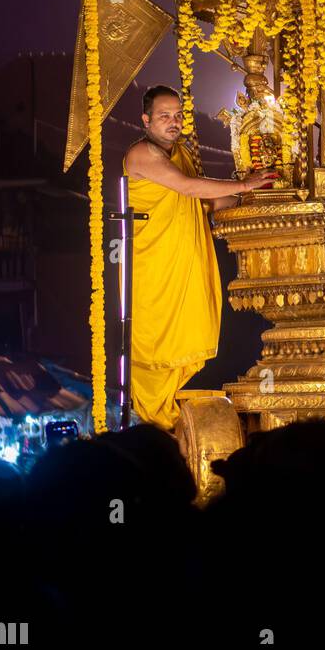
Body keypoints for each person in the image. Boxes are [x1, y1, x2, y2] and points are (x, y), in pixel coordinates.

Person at [121, 84, 275, 431]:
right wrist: (243, 185)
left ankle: (170, 430)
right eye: (164, 116)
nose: (173, 122)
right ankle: (151, 429)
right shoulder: (142, 154)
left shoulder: (183, 154)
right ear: (146, 120)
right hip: (155, 269)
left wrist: (257, 197)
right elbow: (189, 188)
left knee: (182, 349)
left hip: (184, 264)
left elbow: (203, 203)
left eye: (178, 116)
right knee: (156, 351)